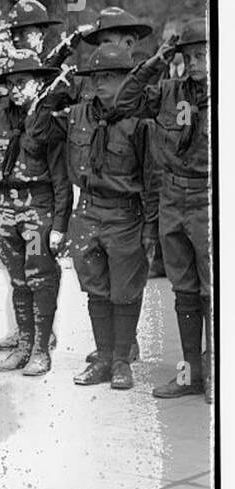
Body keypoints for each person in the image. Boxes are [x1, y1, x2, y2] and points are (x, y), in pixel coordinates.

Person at [114, 20, 212, 402]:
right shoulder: (169, 93)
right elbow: (124, 102)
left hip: (208, 199)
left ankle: (217, 376)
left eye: (203, 54)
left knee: (212, 292)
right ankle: (189, 374)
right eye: (189, 56)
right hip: (173, 198)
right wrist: (157, 59)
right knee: (184, 291)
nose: (197, 62)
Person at [0, 49, 72, 376]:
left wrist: (59, 225)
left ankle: (41, 350)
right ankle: (24, 345)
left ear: (39, 83)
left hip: (36, 208)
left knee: (40, 278)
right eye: (11, 83)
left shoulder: (50, 121)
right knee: (17, 280)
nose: (15, 89)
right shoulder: (1, 118)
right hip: (6, 207)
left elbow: (61, 178)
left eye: (22, 82)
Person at [61, 44, 149, 390]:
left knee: (125, 290)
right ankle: (103, 357)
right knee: (95, 288)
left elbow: (151, 174)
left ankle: (121, 362)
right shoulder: (78, 115)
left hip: (125, 212)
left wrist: (150, 226)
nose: (100, 84)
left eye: (110, 77)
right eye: (96, 77)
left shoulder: (139, 121)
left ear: (128, 80)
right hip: (87, 209)